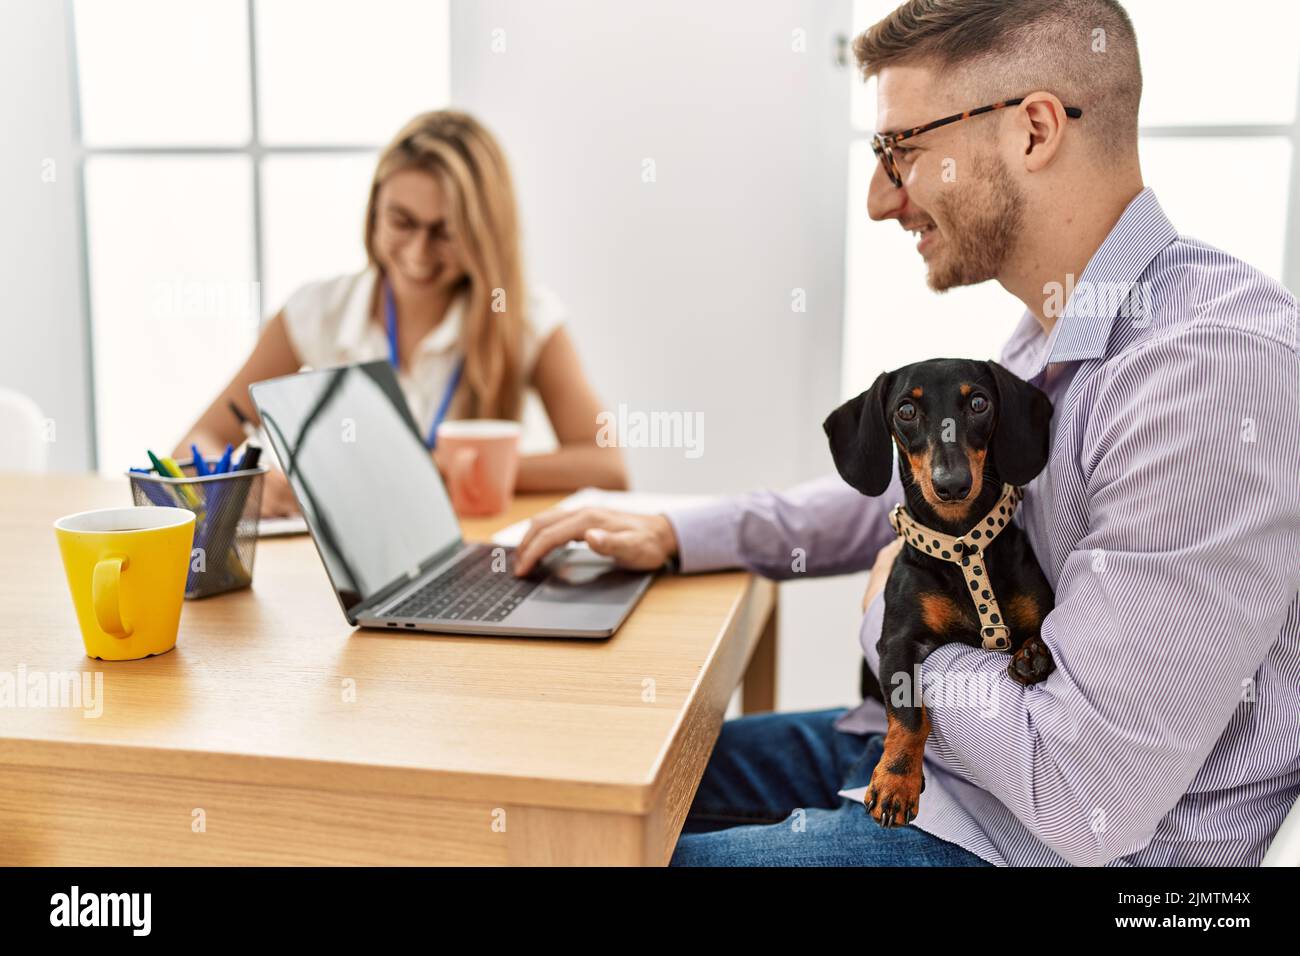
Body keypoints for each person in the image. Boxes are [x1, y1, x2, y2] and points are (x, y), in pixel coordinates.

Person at [511, 0, 1300, 866]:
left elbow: (1082, 799)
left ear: (1034, 130)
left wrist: (887, 622)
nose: (882, 198)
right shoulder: (1052, 336)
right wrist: (675, 531)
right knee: (573, 800)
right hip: (958, 770)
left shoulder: (1205, 374)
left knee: (581, 857)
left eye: (902, 149)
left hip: (1035, 845)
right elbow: (911, 495)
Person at [175, 110, 627, 517]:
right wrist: (242, 489)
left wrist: (446, 468)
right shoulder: (318, 311)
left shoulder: (525, 317)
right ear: (374, 212)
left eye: (445, 232)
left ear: (485, 233)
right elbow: (194, 444)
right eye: (402, 222)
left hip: (473, 551)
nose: (417, 253)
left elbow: (608, 465)